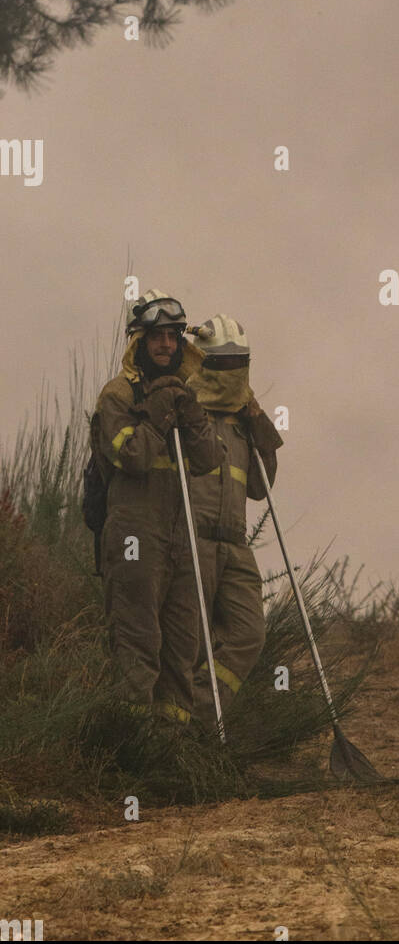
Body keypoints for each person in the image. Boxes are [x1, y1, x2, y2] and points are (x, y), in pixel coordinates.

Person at [91, 289, 222, 723]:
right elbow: (133, 457)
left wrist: (192, 413)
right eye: (156, 337)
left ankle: (170, 754)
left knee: (181, 649)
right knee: (138, 643)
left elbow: (206, 461)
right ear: (139, 342)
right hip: (133, 533)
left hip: (178, 535)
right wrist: (159, 412)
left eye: (172, 336)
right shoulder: (117, 396)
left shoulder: (184, 393)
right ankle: (130, 757)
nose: (166, 345)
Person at [185, 315, 283, 723]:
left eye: (237, 361)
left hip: (235, 545)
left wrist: (259, 424)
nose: (231, 371)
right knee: (188, 643)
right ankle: (175, 733)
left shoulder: (245, 421)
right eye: (223, 362)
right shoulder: (185, 412)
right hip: (192, 541)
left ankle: (202, 715)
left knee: (248, 634)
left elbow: (261, 488)